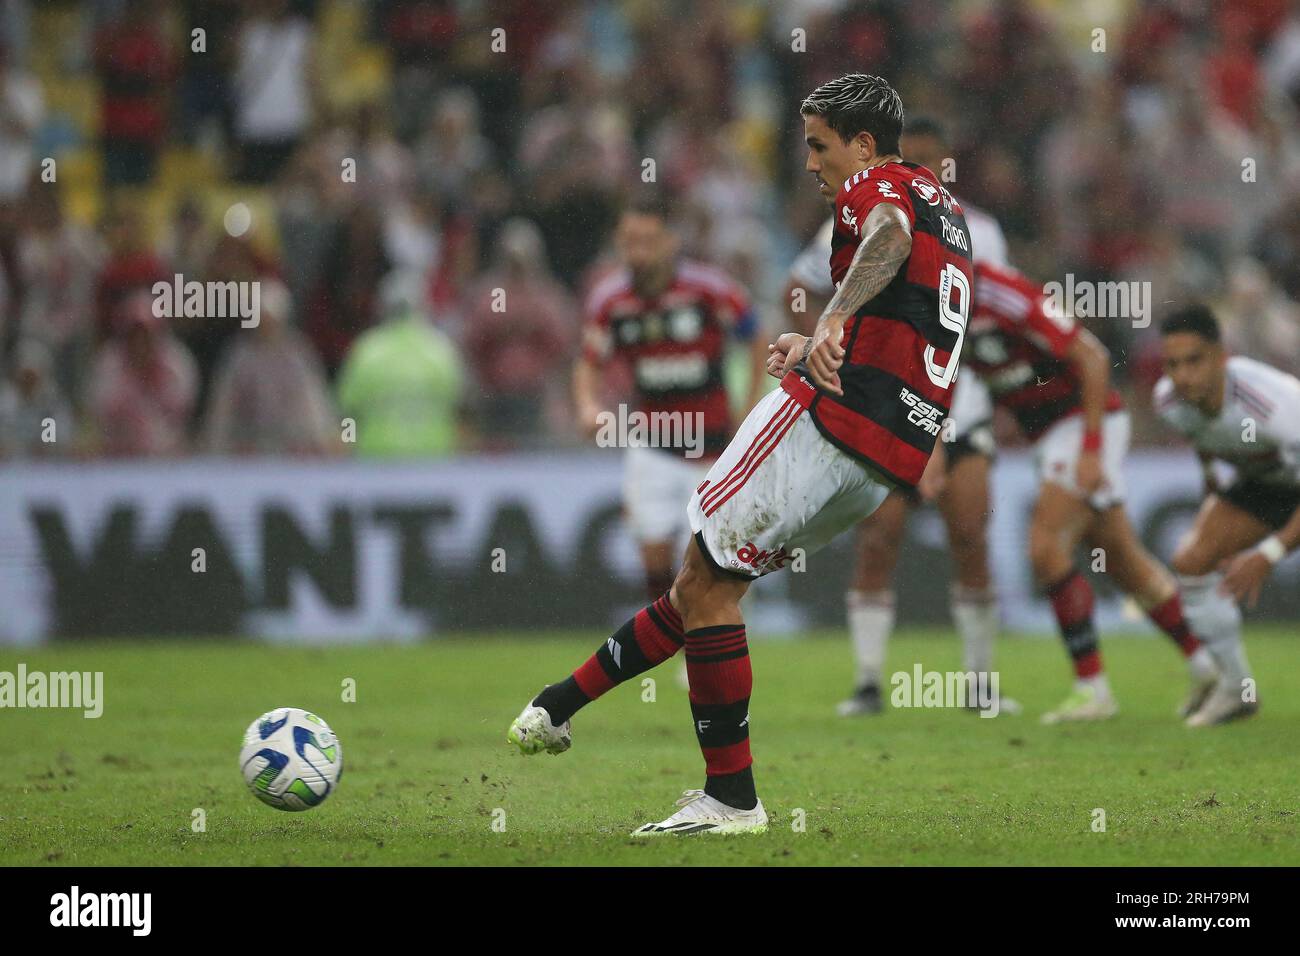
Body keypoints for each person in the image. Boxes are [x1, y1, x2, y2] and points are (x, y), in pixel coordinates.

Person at [509, 74, 973, 835]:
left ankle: (731, 798)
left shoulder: (876, 188)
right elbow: (912, 306)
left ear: (861, 144)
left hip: (834, 423)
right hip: (892, 449)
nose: (812, 164)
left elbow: (885, 238)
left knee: (708, 580)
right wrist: (826, 341)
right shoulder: (946, 207)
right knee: (705, 582)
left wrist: (830, 320)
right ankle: (559, 706)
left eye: (820, 146)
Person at [784, 116, 1013, 716]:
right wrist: (823, 340)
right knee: (879, 538)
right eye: (915, 157)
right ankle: (866, 684)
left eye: (934, 160)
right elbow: (800, 282)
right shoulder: (864, 209)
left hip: (959, 405)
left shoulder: (978, 231)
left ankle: (980, 684)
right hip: (886, 402)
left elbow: (964, 328)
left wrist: (939, 426)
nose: (923, 170)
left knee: (970, 534)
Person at [957, 263, 1218, 723]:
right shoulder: (930, 304)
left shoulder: (1001, 293)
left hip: (1080, 424)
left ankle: (1092, 688)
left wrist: (1092, 449)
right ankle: (1209, 666)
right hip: (1051, 435)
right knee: (1124, 561)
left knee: (1044, 549)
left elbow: (1093, 357)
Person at [574, 192, 766, 601]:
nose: (637, 253)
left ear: (669, 242)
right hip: (653, 445)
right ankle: (674, 648)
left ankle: (698, 656)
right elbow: (589, 361)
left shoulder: (709, 290)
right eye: (628, 242)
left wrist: (749, 410)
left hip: (713, 449)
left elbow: (757, 337)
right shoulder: (610, 301)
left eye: (646, 241)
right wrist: (588, 405)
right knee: (654, 563)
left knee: (703, 564)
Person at [1155, 304, 1300, 725]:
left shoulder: (1271, 406)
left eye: (1194, 361)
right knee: (1192, 561)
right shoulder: (1169, 402)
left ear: (1221, 357)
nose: (1182, 376)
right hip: (1269, 484)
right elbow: (1206, 438)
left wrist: (1268, 554)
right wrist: (1212, 490)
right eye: (1172, 364)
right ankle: (1236, 689)